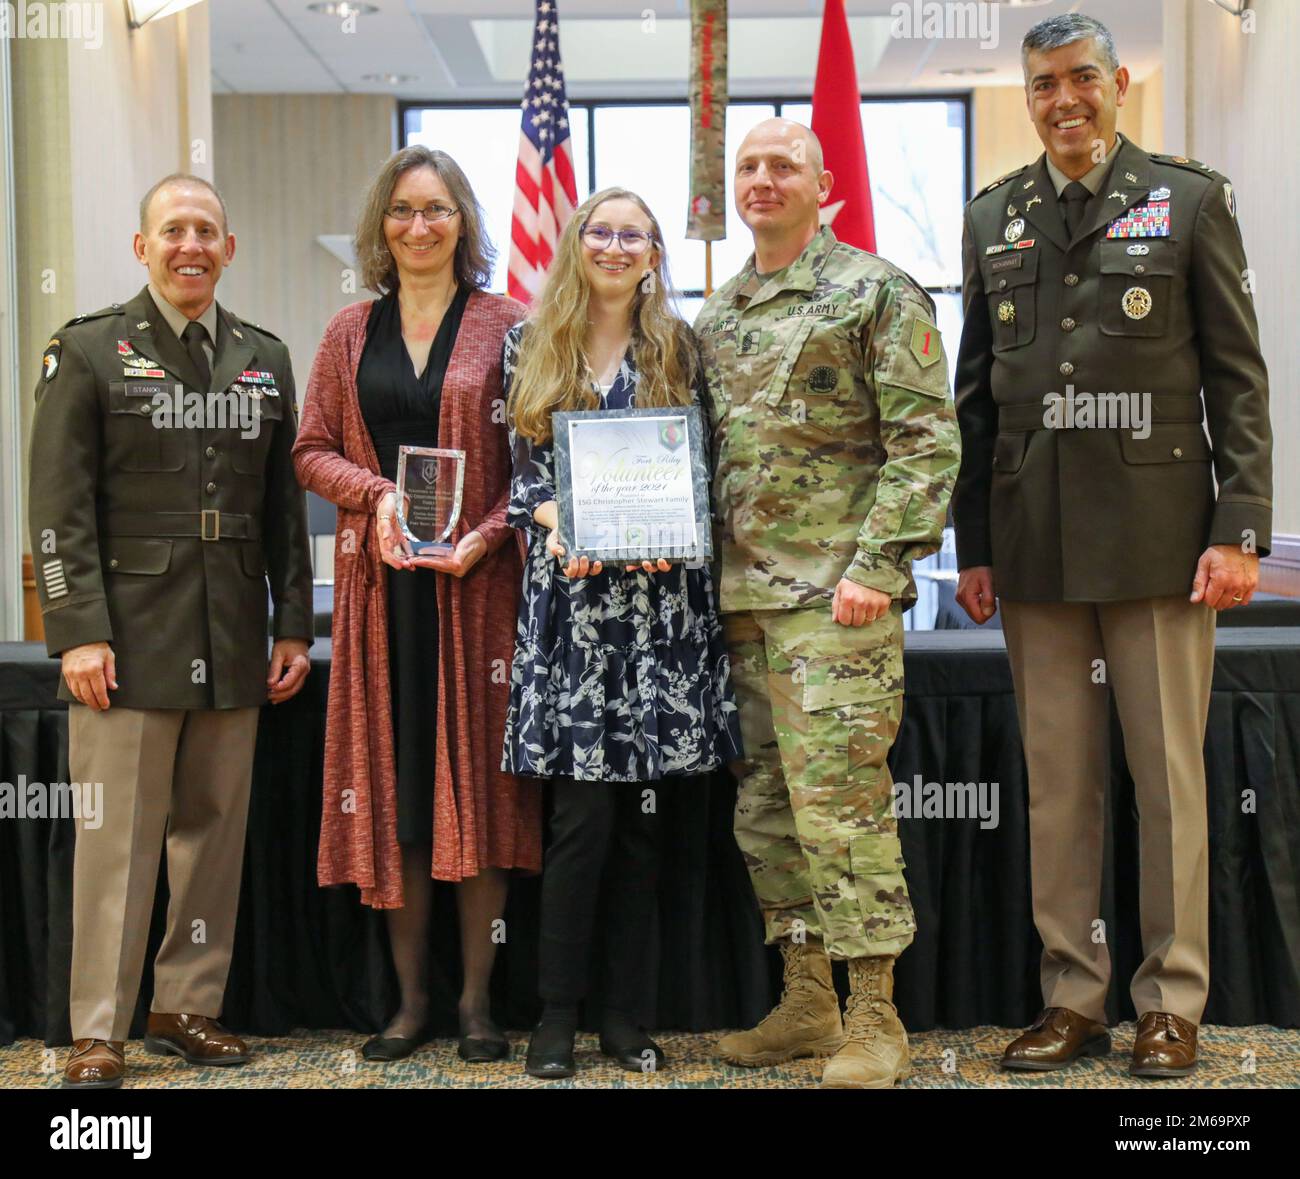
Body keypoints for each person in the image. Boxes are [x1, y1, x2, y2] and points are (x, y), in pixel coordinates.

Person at [952, 14, 1272, 1078]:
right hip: (1035, 548)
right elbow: (976, 402)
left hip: (1158, 545)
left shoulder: (1188, 198)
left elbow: (1238, 379)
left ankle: (1171, 1003)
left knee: (1169, 780)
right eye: (1043, 84)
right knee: (1060, 785)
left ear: (1118, 81)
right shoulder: (994, 216)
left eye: (1081, 76)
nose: (1062, 99)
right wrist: (975, 545)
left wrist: (1239, 530)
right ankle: (1073, 996)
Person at [28, 174, 314, 1089]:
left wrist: (293, 625)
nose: (191, 245)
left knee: (211, 833)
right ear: (142, 245)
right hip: (127, 638)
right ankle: (99, 1029)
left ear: (229, 249)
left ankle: (185, 1003)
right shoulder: (87, 351)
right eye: (173, 229)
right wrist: (75, 628)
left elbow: (282, 511)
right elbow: (56, 507)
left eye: (207, 231)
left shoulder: (264, 357)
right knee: (120, 842)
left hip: (231, 633)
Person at [695, 119, 959, 1089]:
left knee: (842, 810)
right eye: (748, 168)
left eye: (782, 167)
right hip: (743, 607)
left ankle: (874, 1017)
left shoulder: (874, 292)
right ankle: (805, 999)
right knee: (767, 810)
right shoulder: (719, 315)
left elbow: (926, 441)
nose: (761, 181)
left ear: (823, 184)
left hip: (834, 605)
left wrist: (875, 568)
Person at [293, 147, 537, 1063]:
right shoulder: (349, 332)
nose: (419, 226)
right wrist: (377, 494)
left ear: (463, 223)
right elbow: (312, 448)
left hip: (476, 596)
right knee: (394, 789)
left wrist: (490, 531)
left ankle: (478, 1003)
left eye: (437, 210)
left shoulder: (511, 325)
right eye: (402, 211)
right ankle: (410, 1002)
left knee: (475, 788)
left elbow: (541, 465)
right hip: (380, 592)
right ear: (381, 226)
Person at [502, 187, 743, 1080]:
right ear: (576, 243)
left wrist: (667, 535)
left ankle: (627, 1017)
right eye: (599, 231)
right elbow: (521, 475)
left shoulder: (684, 348)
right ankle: (555, 1014)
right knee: (580, 823)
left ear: (652, 254)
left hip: (661, 615)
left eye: (631, 235)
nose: (614, 245)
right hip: (571, 610)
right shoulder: (527, 344)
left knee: (647, 827)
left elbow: (705, 470)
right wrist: (560, 520)